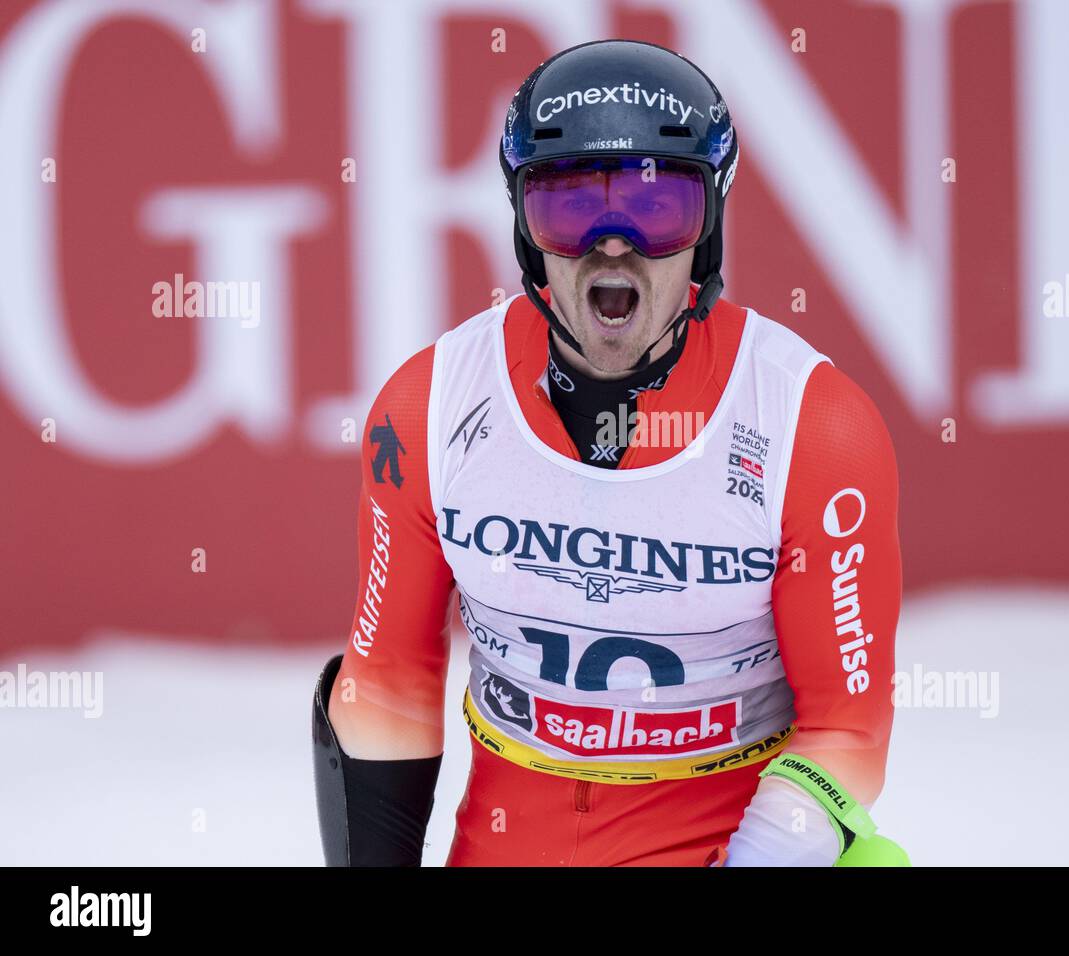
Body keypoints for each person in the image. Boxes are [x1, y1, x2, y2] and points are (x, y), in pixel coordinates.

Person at [311, 38, 906, 867]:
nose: (613, 245)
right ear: (524, 227)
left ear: (710, 227)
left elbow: (848, 726)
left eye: (658, 209)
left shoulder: (815, 426)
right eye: (570, 208)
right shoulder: (427, 408)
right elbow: (386, 686)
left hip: (729, 846)